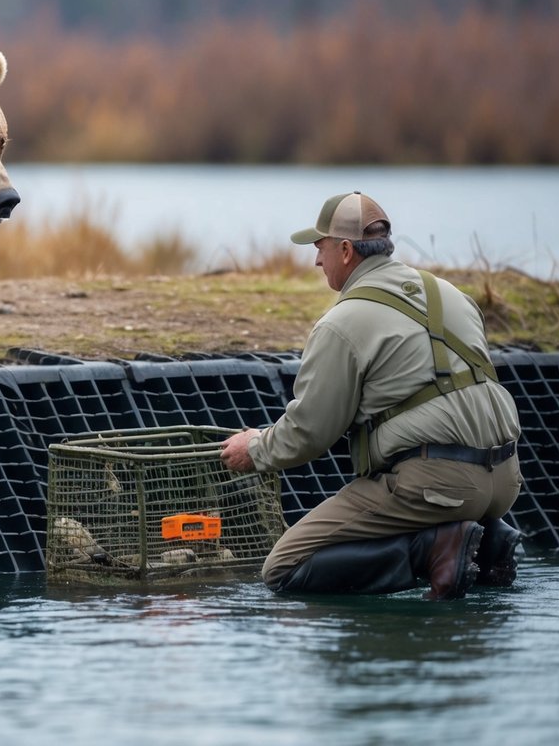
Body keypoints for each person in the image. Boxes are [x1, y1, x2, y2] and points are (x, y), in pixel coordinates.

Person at [219, 191, 523, 600]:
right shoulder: (452, 294)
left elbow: (309, 432)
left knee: (284, 568)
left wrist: (254, 449)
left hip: (436, 487)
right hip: (504, 483)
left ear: (345, 250)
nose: (315, 260)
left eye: (319, 247)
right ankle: (487, 542)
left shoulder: (341, 323)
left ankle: (435, 548)